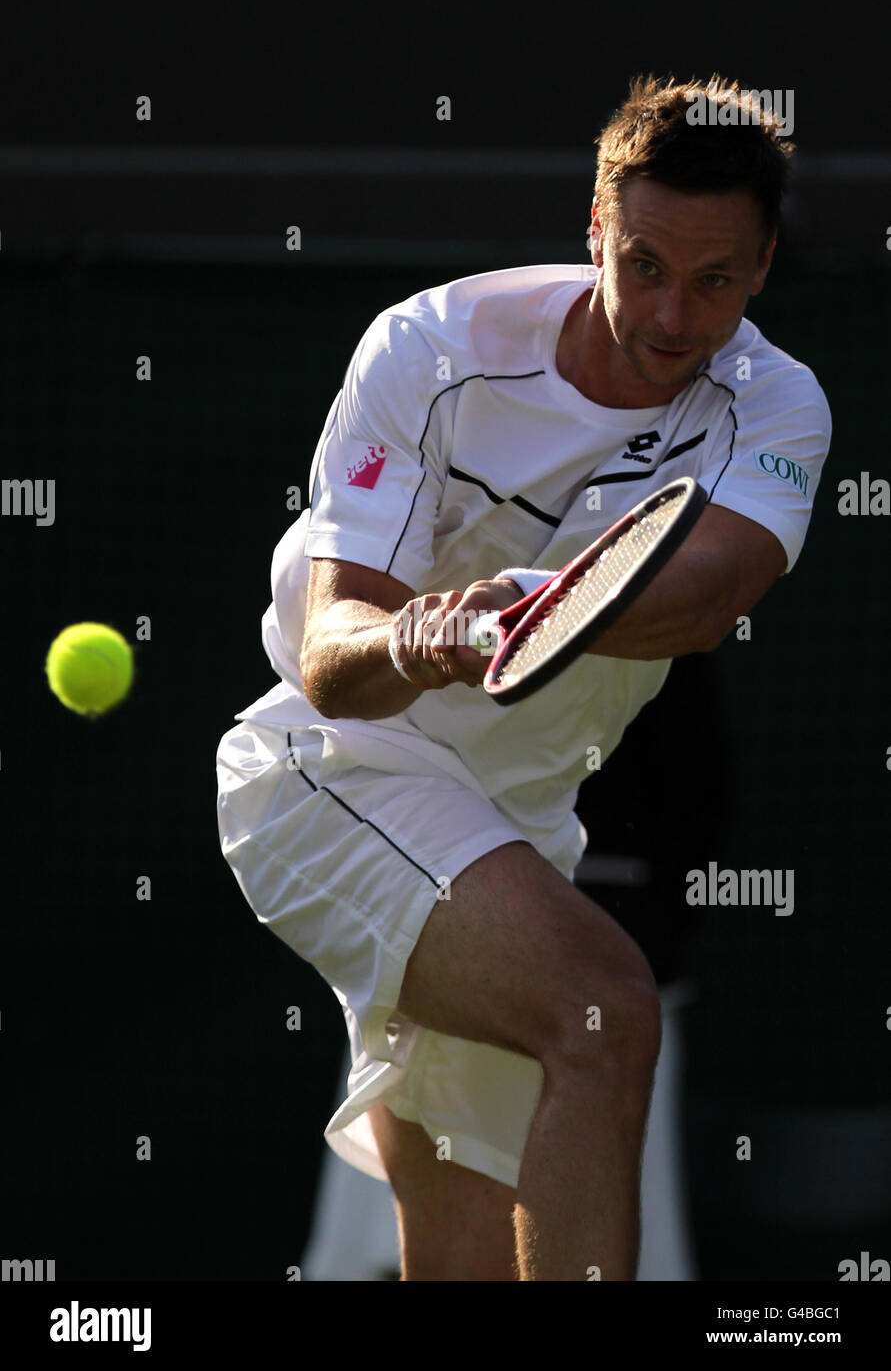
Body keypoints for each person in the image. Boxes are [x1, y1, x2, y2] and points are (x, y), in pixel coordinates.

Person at [215, 72, 831, 1281]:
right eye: (644, 263)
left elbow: (705, 597)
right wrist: (419, 640)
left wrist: (543, 612)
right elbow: (335, 663)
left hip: (510, 834)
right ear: (594, 231)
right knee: (607, 1011)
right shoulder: (428, 348)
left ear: (761, 271)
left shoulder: (777, 404)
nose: (671, 314)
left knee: (460, 1255)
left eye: (715, 281)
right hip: (333, 776)